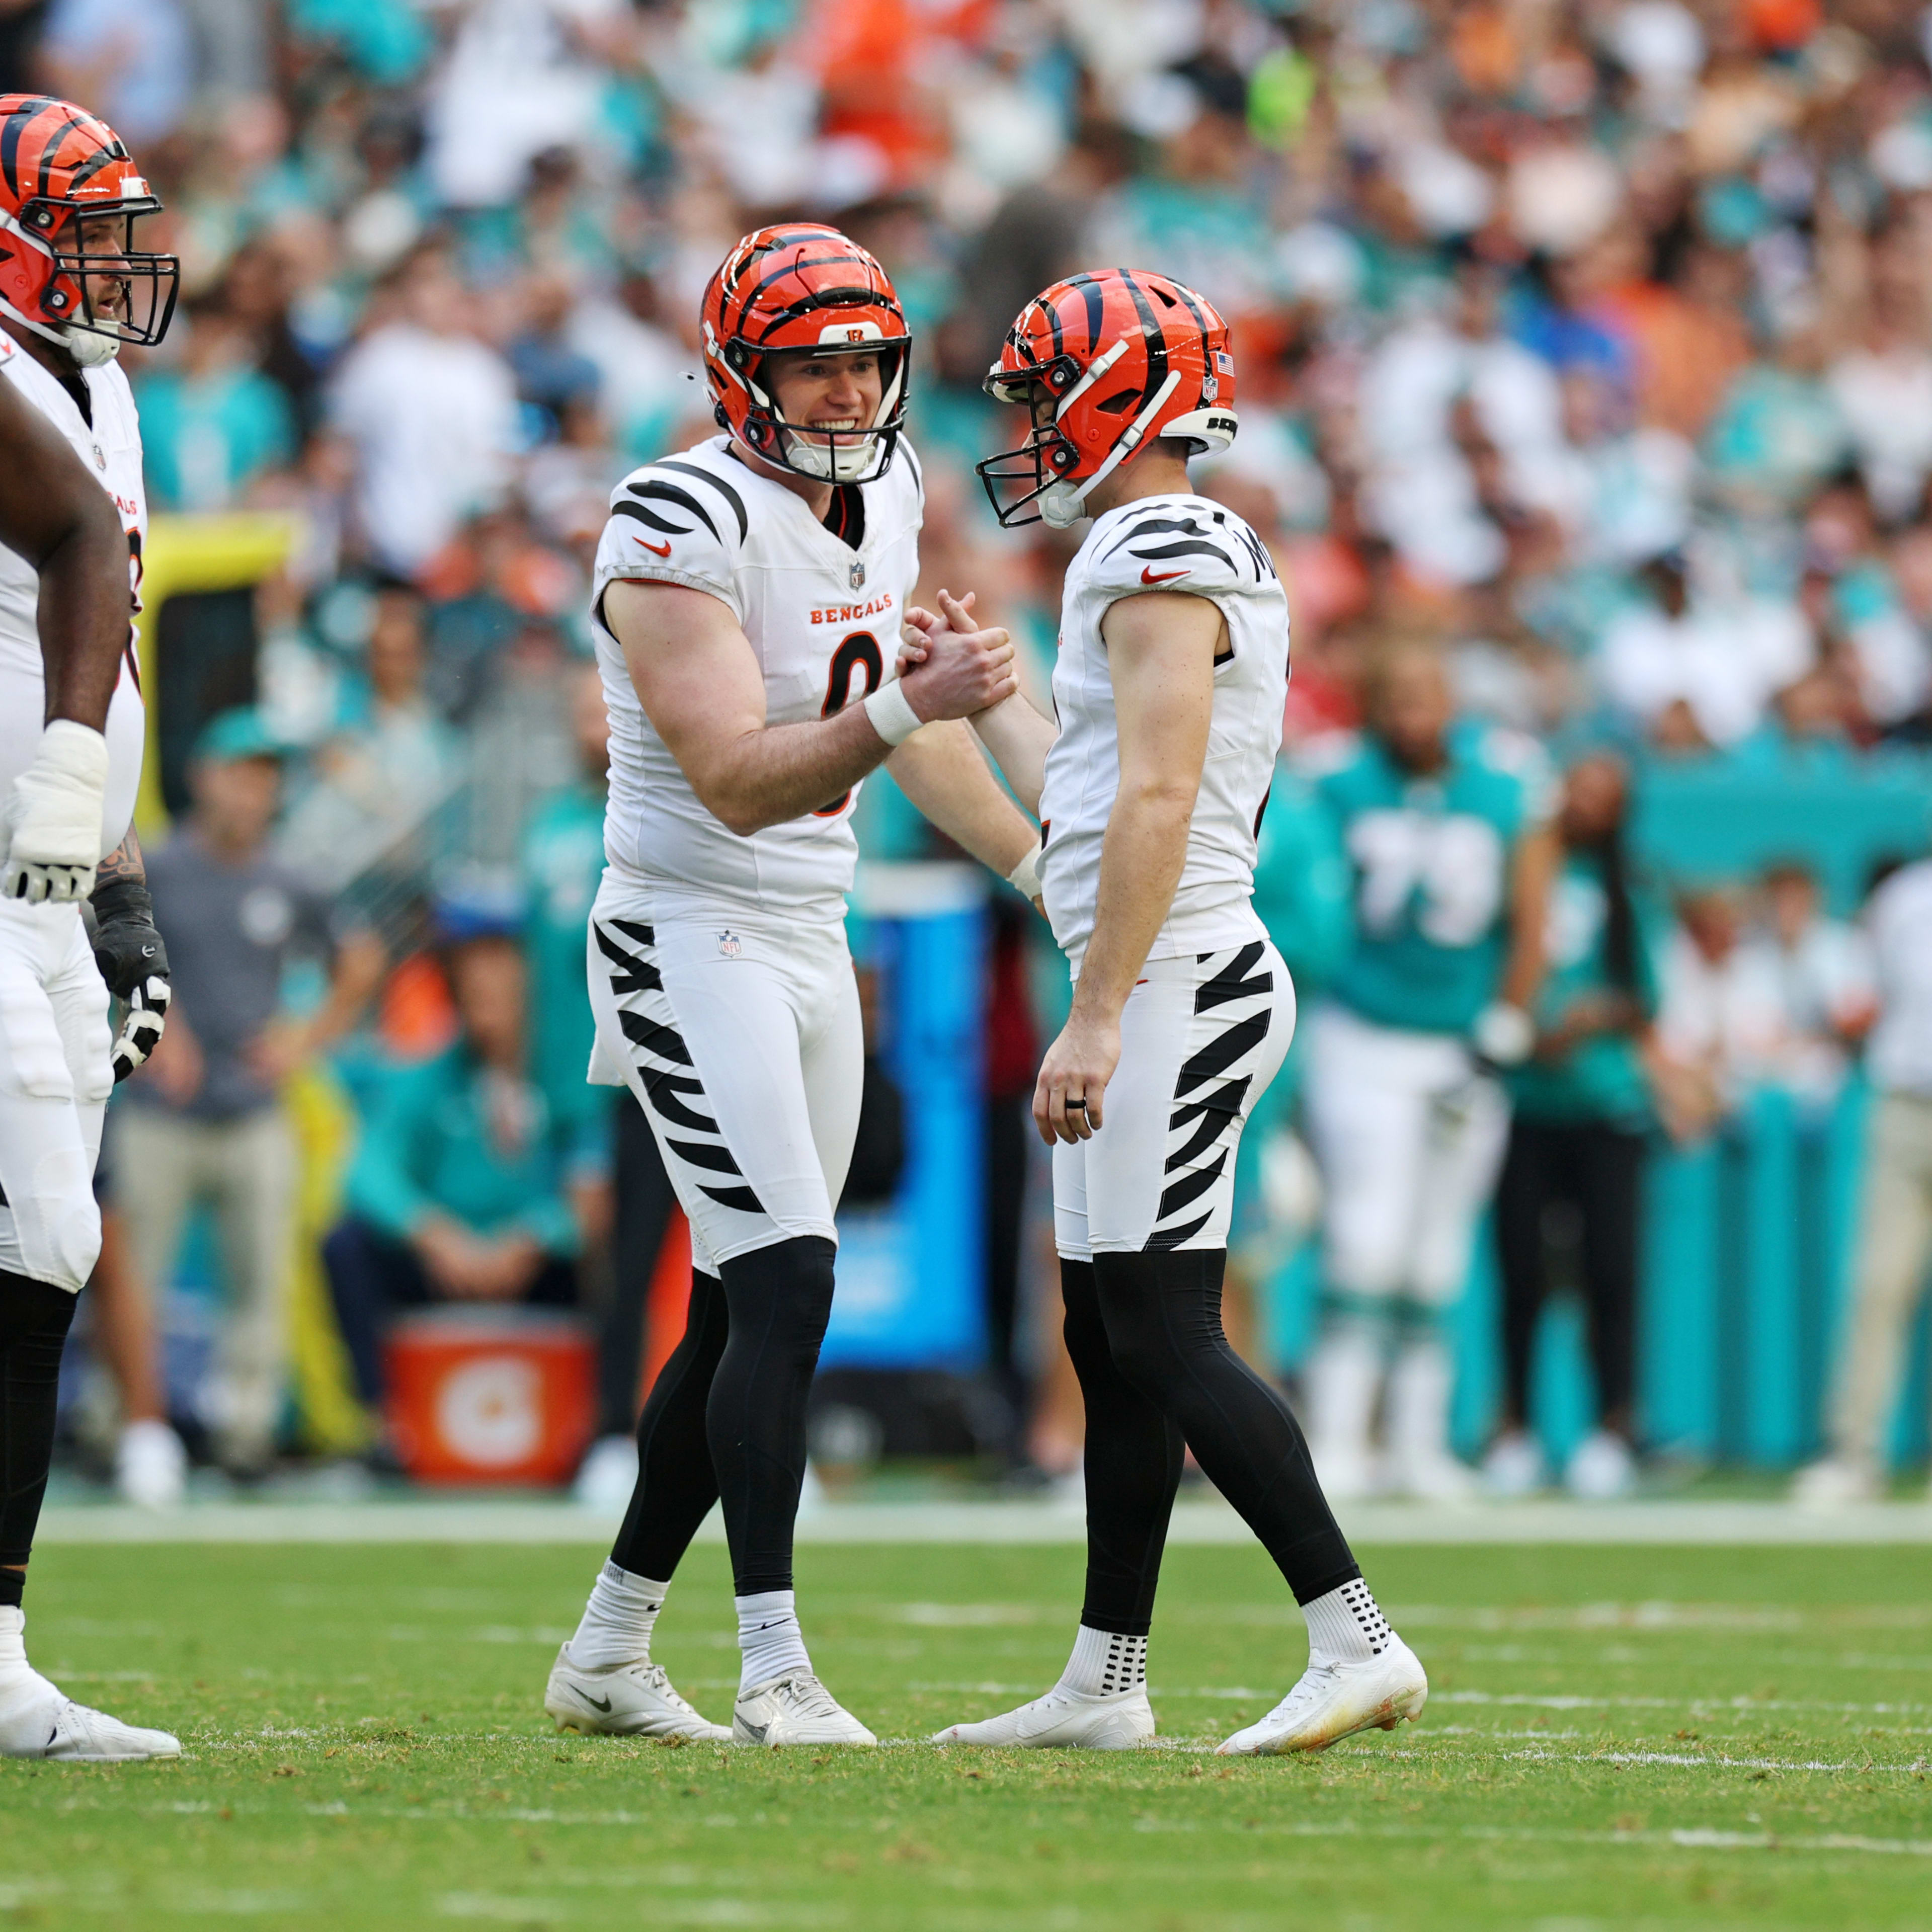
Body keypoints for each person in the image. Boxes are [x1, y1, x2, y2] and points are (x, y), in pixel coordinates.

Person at [545, 224, 1038, 1750]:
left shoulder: (884, 489)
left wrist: (1037, 869)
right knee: (785, 1280)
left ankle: (610, 1647)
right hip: (688, 922)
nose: (841, 388)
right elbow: (740, 777)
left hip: (812, 926)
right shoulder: (673, 512)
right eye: (810, 361)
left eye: (862, 359)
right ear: (733, 376)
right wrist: (907, 699)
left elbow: (909, 734)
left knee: (738, 1308)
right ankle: (772, 1664)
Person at [927, 268, 1426, 1757]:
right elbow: (1088, 788)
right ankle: (1104, 1677)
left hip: (1175, 972)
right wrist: (981, 693)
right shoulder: (1144, 546)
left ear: (1116, 393)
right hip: (1152, 961)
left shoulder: (1159, 537)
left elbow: (1154, 796)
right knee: (1106, 1324)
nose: (1023, 426)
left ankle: (1354, 1633)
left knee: (1161, 1323)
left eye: (1039, 395)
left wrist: (1092, 1010)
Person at [0, 93, 182, 1762]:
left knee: (50, 1245)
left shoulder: (103, 384)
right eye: (81, 230)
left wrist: (118, 865)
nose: (112, 266)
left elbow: (113, 633)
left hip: (50, 876)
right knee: (36, 1229)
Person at [1298, 641, 1556, 1500]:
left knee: (1438, 1257)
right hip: (1361, 1032)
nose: (1414, 714)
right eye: (1397, 695)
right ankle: (1338, 1438)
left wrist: (1508, 1022)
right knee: (1365, 1241)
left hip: (1461, 1039)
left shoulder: (1507, 779)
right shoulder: (1335, 779)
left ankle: (1417, 1445)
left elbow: (1533, 915)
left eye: (1427, 693)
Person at [119, 709, 383, 1477]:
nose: (252, 791)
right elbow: (107, 947)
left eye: (265, 778)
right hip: (159, 1110)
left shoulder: (289, 877)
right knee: (133, 1279)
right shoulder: (160, 868)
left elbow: (358, 961)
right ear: (204, 778)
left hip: (254, 1106)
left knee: (261, 1281)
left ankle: (246, 1435)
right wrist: (154, 1024)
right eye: (241, 773)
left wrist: (302, 1040)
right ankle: (122, 1423)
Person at [1483, 752, 1658, 1501]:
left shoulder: (1628, 890)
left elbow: (1645, 998)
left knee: (1610, 1271)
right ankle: (1515, 1426)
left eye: (1603, 794)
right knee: (1519, 1269)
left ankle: (1611, 1426)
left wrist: (1591, 1019)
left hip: (1603, 1103)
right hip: (1528, 1100)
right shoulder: (1524, 874)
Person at [323, 923, 588, 1413]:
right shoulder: (431, 1075)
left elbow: (598, 1186)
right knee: (347, 1245)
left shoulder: (572, 1081)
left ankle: (599, 1421)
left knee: (615, 1255)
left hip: (537, 1263)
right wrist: (433, 1233)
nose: (485, 1001)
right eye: (472, 988)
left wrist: (537, 1237)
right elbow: (368, 1171)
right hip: (446, 1261)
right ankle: (383, 1420)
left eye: (503, 986)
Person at [1793, 855, 1932, 1505]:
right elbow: (1864, 1000)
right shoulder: (1904, 896)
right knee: (1879, 1284)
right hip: (1905, 1107)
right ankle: (1855, 1454)